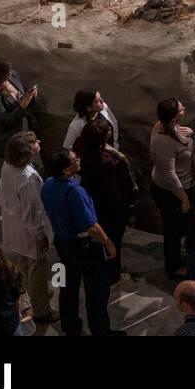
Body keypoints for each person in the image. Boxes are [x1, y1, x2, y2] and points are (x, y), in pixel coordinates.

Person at [41, 148, 120, 336]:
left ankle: (70, 326)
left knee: (68, 286)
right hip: (84, 247)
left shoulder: (48, 184)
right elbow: (91, 226)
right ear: (66, 170)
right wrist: (108, 243)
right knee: (97, 290)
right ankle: (100, 330)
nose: (79, 159)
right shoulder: (75, 191)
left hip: (62, 242)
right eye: (75, 159)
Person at [0, 131, 55, 325]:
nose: (38, 142)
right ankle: (42, 310)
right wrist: (40, 235)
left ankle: (33, 295)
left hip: (14, 226)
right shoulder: (28, 178)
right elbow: (33, 212)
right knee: (37, 267)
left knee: (24, 264)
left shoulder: (7, 165)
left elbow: (1, 194)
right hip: (29, 232)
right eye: (34, 142)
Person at [75, 116, 134, 284]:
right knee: (113, 239)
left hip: (93, 201)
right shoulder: (108, 162)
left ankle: (100, 268)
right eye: (108, 131)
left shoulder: (80, 148)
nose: (110, 132)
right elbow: (116, 189)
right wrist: (127, 205)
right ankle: (112, 274)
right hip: (111, 207)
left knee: (99, 238)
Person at [149, 97, 195, 278]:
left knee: (178, 227)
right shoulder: (162, 140)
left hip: (181, 186)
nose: (184, 107)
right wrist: (184, 199)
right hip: (172, 191)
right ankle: (173, 267)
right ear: (174, 117)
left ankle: (177, 257)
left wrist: (186, 133)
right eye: (181, 109)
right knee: (172, 230)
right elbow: (169, 174)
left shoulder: (164, 126)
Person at [0, 55, 41, 180]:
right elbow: (5, 121)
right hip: (7, 142)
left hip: (25, 132)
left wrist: (30, 95)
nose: (10, 75)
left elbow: (23, 94)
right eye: (6, 74)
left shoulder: (13, 76)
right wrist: (23, 104)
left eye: (10, 71)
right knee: (8, 181)